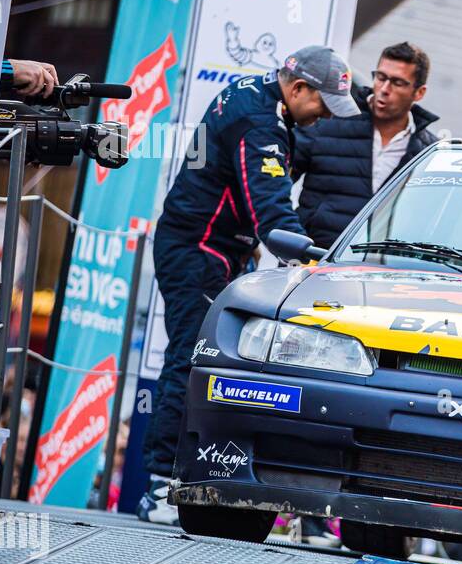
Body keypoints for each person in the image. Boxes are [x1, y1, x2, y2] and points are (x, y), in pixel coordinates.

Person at [137, 46, 359, 524]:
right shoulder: (259, 122)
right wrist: (315, 264)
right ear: (298, 88)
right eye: (321, 104)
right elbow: (270, 209)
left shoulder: (260, 100)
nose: (322, 118)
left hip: (216, 248)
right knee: (192, 361)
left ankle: (195, 478)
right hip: (197, 250)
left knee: (213, 363)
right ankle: (158, 486)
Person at [293, 42, 440, 248]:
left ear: (419, 93)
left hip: (383, 270)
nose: (384, 89)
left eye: (397, 83)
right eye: (380, 77)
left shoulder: (430, 153)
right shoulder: (328, 120)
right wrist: (295, 242)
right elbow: (274, 184)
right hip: (313, 261)